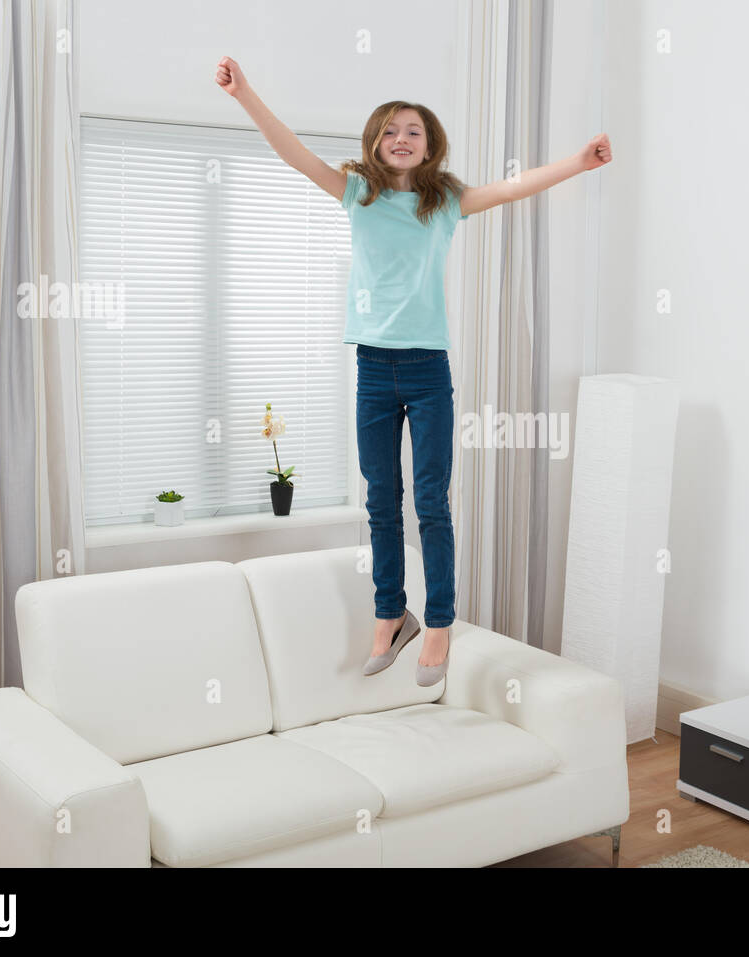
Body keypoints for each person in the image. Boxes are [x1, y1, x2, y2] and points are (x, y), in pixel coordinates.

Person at [215, 55, 612, 686]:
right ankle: (389, 616)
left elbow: (512, 189)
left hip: (428, 370)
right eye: (391, 130)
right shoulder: (357, 192)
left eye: (414, 132)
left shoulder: (445, 202)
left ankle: (441, 624)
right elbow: (292, 152)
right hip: (372, 370)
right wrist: (246, 95)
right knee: (381, 501)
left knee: (431, 501)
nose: (402, 139)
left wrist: (578, 162)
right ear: (375, 141)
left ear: (429, 147)